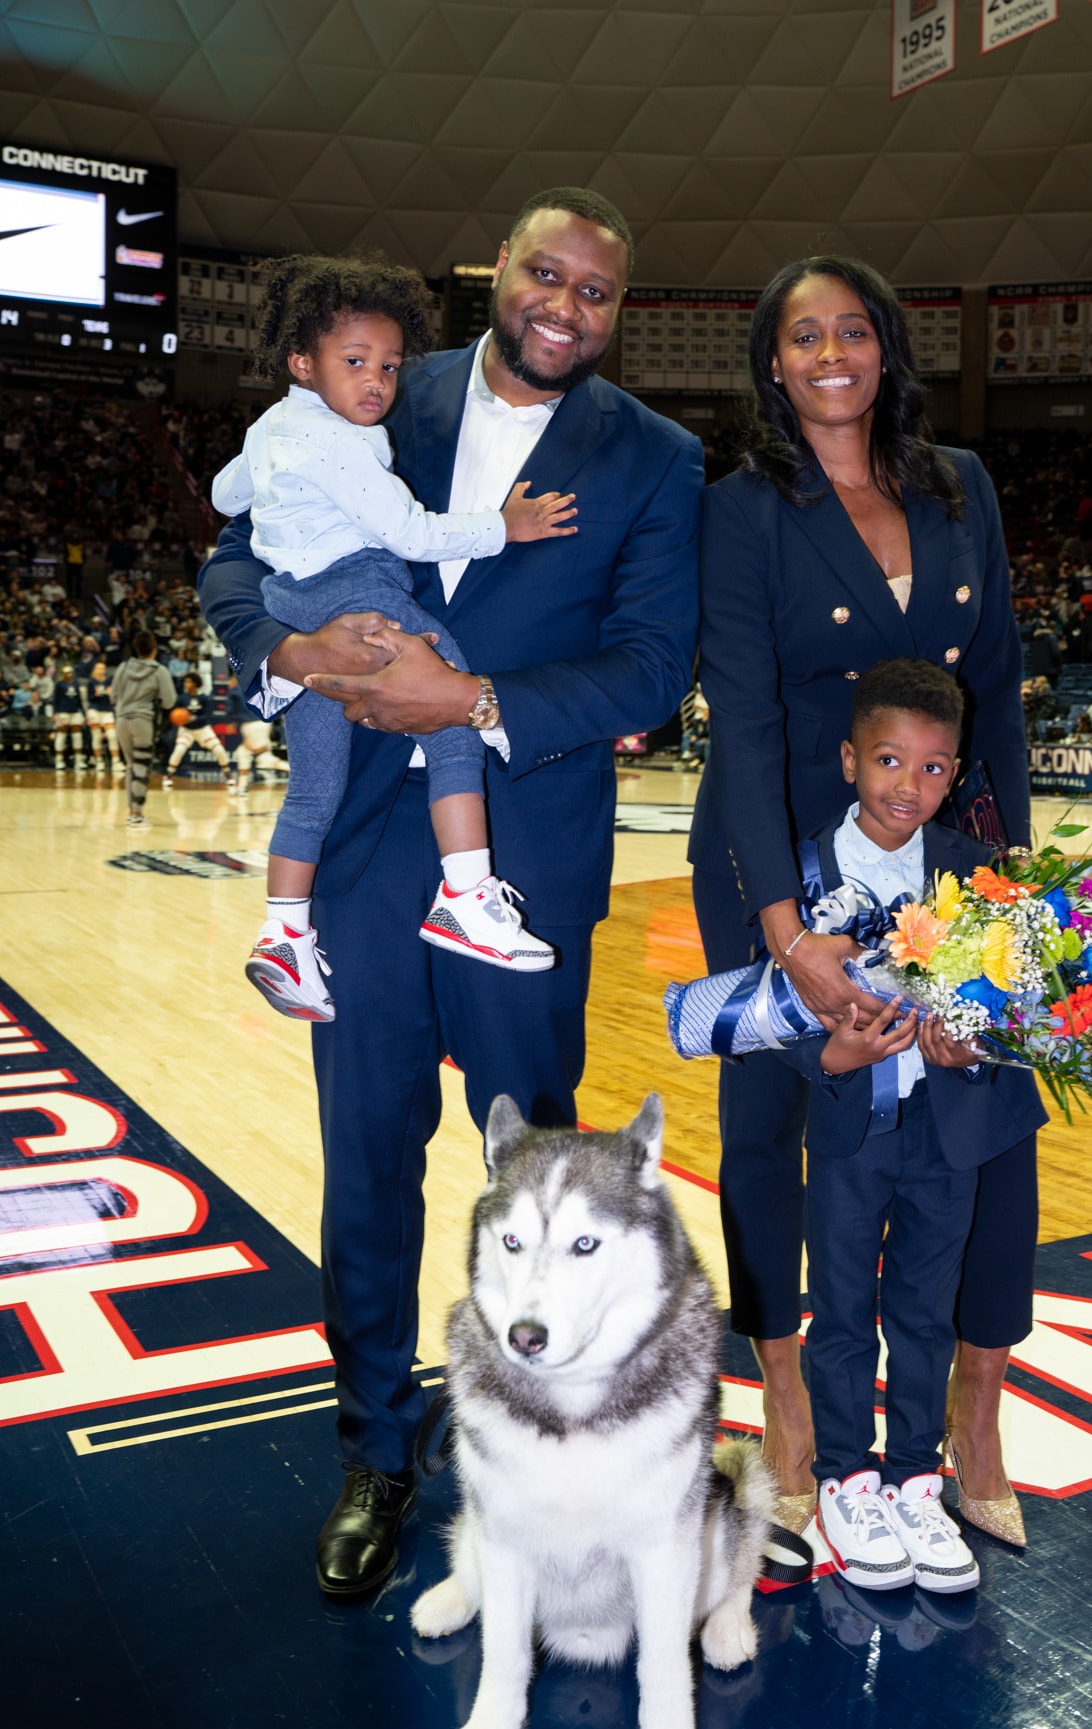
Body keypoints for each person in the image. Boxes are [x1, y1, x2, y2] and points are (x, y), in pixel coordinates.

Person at [199, 186, 700, 1599]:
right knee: (366, 1167)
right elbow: (232, 563)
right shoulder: (368, 381)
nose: (565, 306)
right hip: (357, 852)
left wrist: (467, 693)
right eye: (546, 274)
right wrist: (289, 657)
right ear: (502, 274)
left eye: (597, 291)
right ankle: (377, 1449)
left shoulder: (654, 459)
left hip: (521, 864)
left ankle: (547, 1450)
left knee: (544, 1177)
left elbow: (653, 665)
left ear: (617, 313)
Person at [689, 254, 1034, 1554]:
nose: (828, 352)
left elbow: (991, 690)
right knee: (772, 1111)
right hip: (777, 852)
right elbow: (749, 714)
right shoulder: (743, 507)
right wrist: (784, 926)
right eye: (800, 336)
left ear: (885, 349)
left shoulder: (965, 490)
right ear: (772, 366)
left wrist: (1008, 888)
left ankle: (975, 1414)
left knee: (986, 1109)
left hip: (947, 853)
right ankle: (784, 1403)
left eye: (851, 330)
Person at [211, 254, 576, 1020]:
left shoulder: (274, 425)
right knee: (454, 715)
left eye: (388, 365)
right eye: (354, 363)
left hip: (301, 612)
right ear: (302, 362)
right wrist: (503, 527)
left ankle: (282, 933)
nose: (376, 381)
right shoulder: (339, 442)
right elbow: (410, 532)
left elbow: (225, 494)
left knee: (313, 789)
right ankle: (468, 892)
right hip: (362, 591)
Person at [781, 659, 1046, 1590]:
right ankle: (844, 1478)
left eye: (935, 769)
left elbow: (1009, 1011)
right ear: (851, 759)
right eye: (891, 760)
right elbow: (765, 1019)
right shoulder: (798, 875)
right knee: (845, 1312)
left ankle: (914, 1483)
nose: (911, 786)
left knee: (927, 1311)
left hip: (948, 1134)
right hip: (853, 1131)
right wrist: (829, 1058)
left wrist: (970, 1049)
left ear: (957, 772)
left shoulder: (977, 875)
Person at [111, 632, 175, 826]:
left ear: (137, 649)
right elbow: (169, 701)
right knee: (141, 767)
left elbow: (113, 696)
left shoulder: (122, 667)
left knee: (131, 766)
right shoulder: (159, 670)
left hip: (121, 721)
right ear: (154, 650)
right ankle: (137, 815)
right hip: (143, 721)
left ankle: (132, 811)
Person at [161, 671, 235, 790]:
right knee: (179, 750)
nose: (186, 684)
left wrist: (193, 717)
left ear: (195, 683)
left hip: (202, 729)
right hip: (187, 730)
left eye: (188, 681)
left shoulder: (204, 698)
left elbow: (208, 716)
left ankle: (228, 775)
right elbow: (175, 714)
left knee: (220, 750)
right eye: (185, 681)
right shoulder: (182, 699)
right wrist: (180, 719)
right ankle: (168, 775)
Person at [84, 658, 120, 775]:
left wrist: (111, 694)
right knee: (96, 736)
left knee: (112, 735)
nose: (101, 671)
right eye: (99, 669)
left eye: (103, 668)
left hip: (107, 710)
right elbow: (89, 698)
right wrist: (96, 694)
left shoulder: (109, 681)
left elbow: (114, 697)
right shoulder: (91, 682)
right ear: (95, 670)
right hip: (94, 711)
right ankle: (99, 761)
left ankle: (116, 761)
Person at [49, 662, 87, 770]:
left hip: (75, 712)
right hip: (63, 712)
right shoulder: (59, 684)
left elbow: (79, 700)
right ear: (63, 674)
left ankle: (78, 760)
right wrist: (54, 713)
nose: (69, 674)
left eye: (70, 672)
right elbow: (55, 700)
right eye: (67, 673)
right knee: (61, 735)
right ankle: (59, 760)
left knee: (77, 736)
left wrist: (83, 713)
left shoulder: (76, 684)